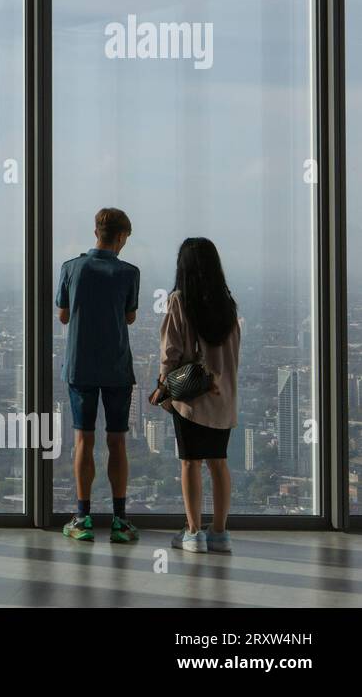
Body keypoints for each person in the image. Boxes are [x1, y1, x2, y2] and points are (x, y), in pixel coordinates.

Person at [56, 207, 141, 543]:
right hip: (117, 367)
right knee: (117, 441)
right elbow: (129, 317)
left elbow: (63, 315)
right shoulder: (129, 273)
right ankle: (120, 521)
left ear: (96, 233)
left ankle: (82, 518)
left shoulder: (71, 268)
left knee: (83, 440)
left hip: (80, 366)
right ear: (121, 237)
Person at [153, 237, 240, 554]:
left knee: (190, 463)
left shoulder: (179, 301)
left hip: (190, 401)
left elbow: (170, 352)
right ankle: (219, 532)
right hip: (223, 400)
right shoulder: (228, 306)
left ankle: (192, 532)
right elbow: (233, 356)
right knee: (219, 463)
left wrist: (164, 386)